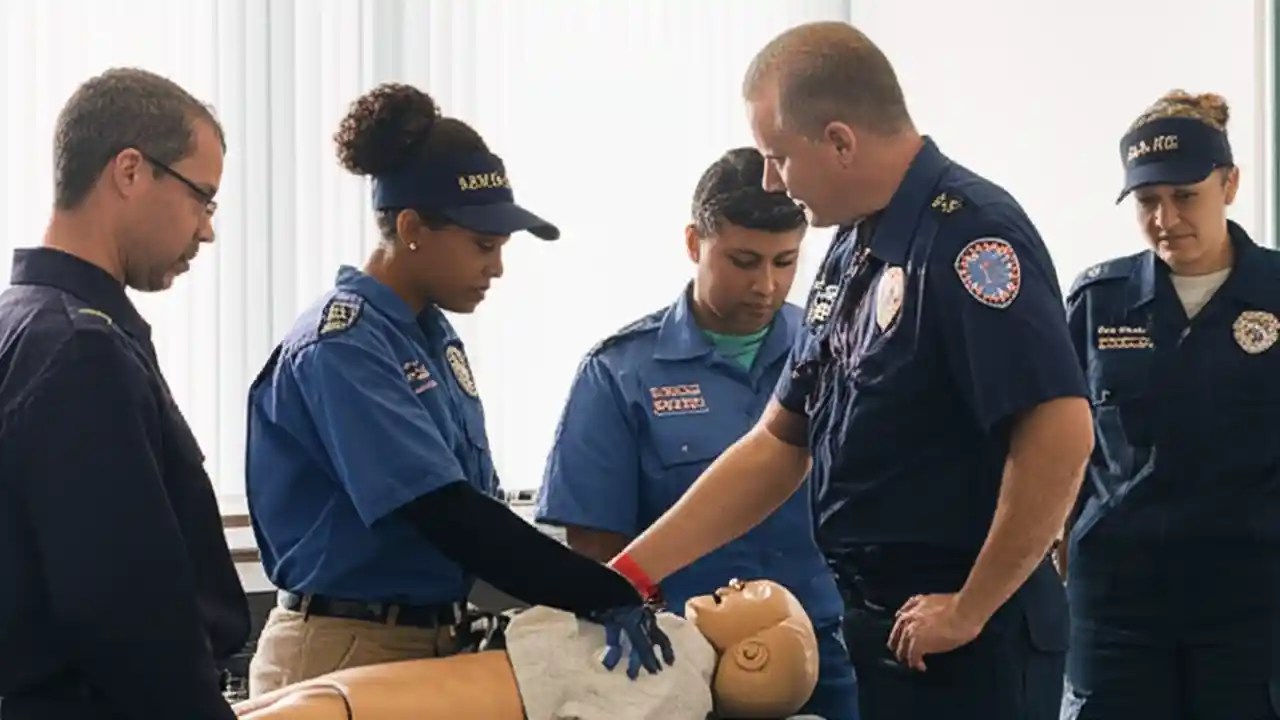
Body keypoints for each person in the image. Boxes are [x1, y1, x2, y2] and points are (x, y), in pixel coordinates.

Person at [599, 21, 1097, 720]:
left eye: (778, 157)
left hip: (969, 635)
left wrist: (971, 606)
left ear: (839, 141)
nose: (770, 178)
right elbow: (778, 445)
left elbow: (1060, 429)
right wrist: (632, 572)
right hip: (880, 624)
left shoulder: (969, 237)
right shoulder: (852, 249)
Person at [244, 83, 670, 697]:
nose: (496, 268)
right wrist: (599, 591)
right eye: (483, 245)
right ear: (412, 227)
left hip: (429, 640)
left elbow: (479, 508)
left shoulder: (431, 337)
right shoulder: (345, 344)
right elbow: (446, 514)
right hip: (344, 646)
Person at [536, 147, 859, 719]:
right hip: (679, 661)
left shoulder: (838, 352)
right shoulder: (620, 374)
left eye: (785, 262)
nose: (766, 284)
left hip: (825, 652)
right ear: (694, 244)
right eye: (743, 260)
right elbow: (595, 550)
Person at [0, 68, 249, 718]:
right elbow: (130, 626)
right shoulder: (82, 350)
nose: (207, 230)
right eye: (203, 198)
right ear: (131, 171)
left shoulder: (24, 321)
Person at [1061, 90, 1280, 720]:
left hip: (1249, 602)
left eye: (1186, 196)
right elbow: (1061, 440)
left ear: (1229, 184)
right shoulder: (1099, 301)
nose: (1166, 218)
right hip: (1118, 603)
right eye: (1148, 202)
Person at [231, 579, 820, 720]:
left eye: (756, 592)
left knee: (328, 707)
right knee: (319, 701)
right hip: (476, 676)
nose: (737, 583)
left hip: (475, 695)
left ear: (754, 655)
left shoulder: (675, 673)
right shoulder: (668, 646)